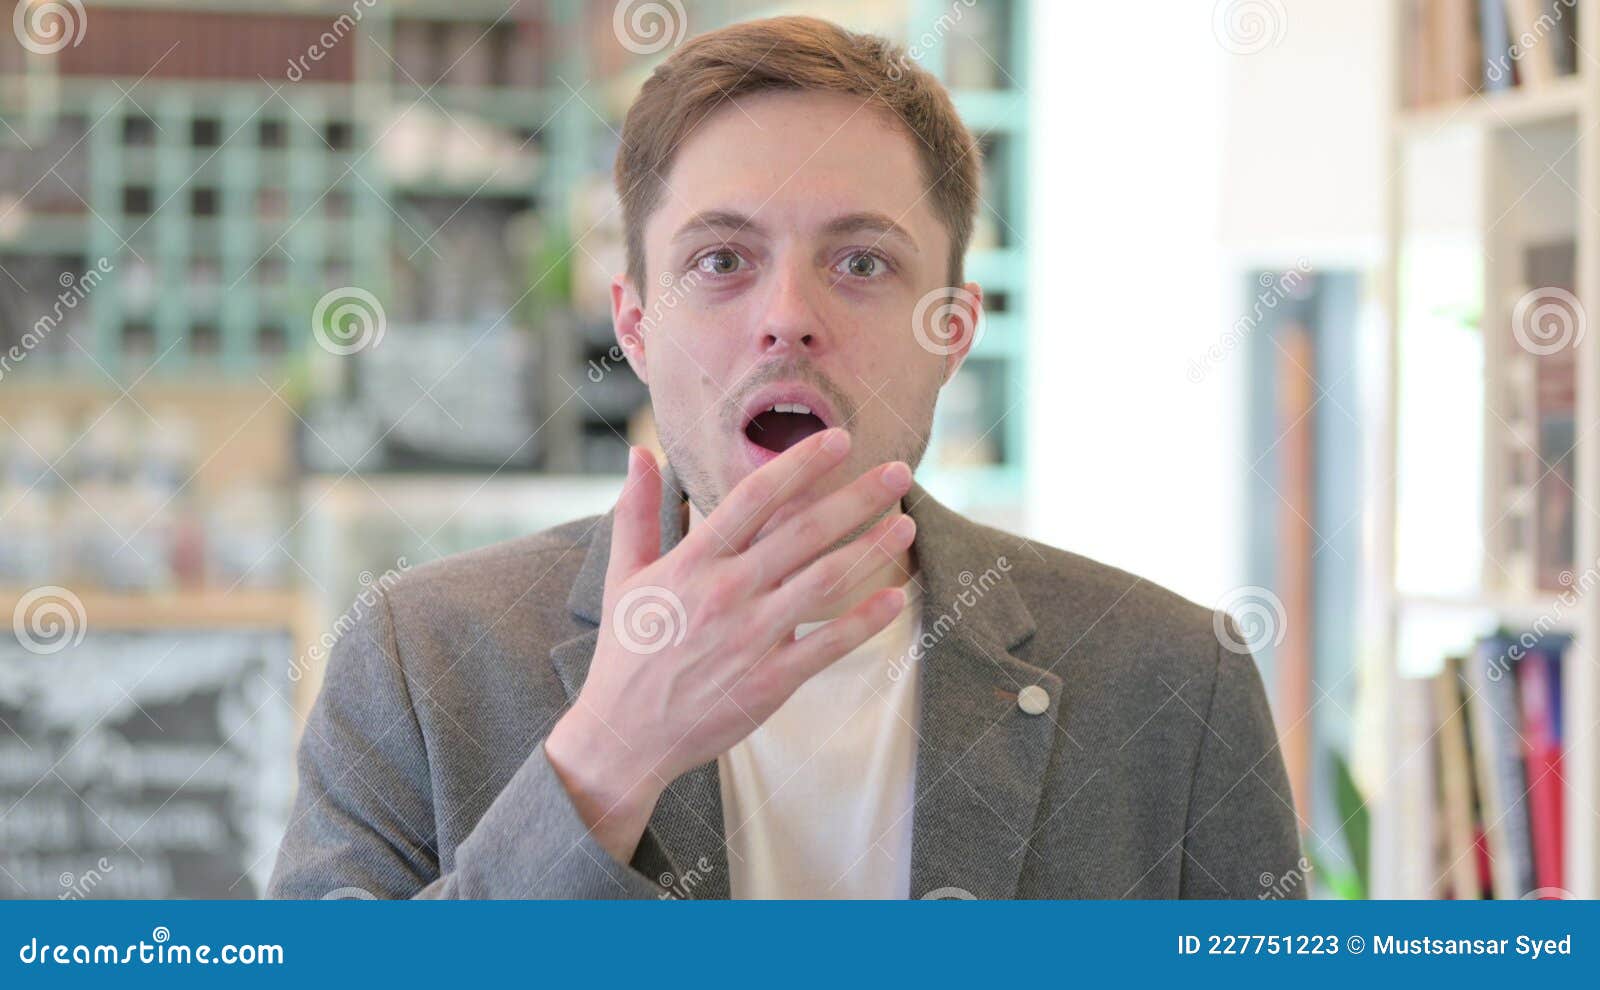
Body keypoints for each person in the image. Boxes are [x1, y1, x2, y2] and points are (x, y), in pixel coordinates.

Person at [268, 15, 1301, 900]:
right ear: (632, 325)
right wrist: (609, 756)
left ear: (951, 326)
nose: (787, 319)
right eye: (720, 261)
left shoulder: (1175, 683)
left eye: (861, 262)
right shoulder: (418, 659)